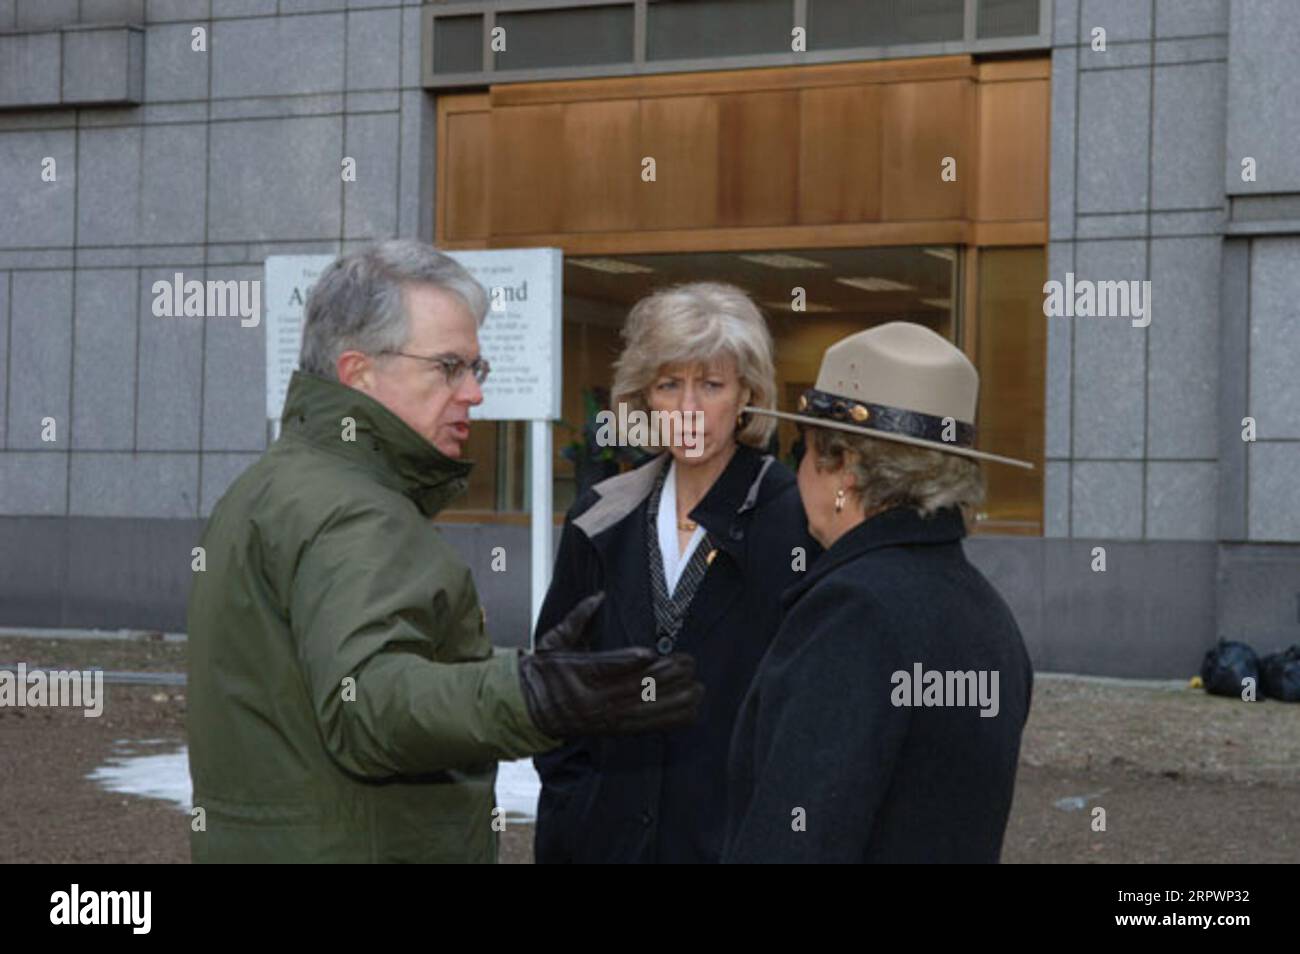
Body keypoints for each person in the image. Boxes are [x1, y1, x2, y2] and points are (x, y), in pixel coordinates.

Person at [186, 240, 701, 863]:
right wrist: (529, 695)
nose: (474, 394)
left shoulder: (274, 485)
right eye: (448, 367)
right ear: (359, 372)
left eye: (474, 370)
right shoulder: (352, 509)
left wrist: (518, 679)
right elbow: (367, 704)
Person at [724, 321, 1034, 863]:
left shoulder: (853, 613)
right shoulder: (987, 612)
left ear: (842, 465)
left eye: (803, 447)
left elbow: (799, 839)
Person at [534, 282, 817, 863]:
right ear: (644, 399)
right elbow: (554, 683)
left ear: (747, 395)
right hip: (606, 842)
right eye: (669, 385)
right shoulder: (601, 515)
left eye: (711, 385)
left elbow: (810, 715)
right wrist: (575, 804)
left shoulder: (797, 523)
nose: (689, 409)